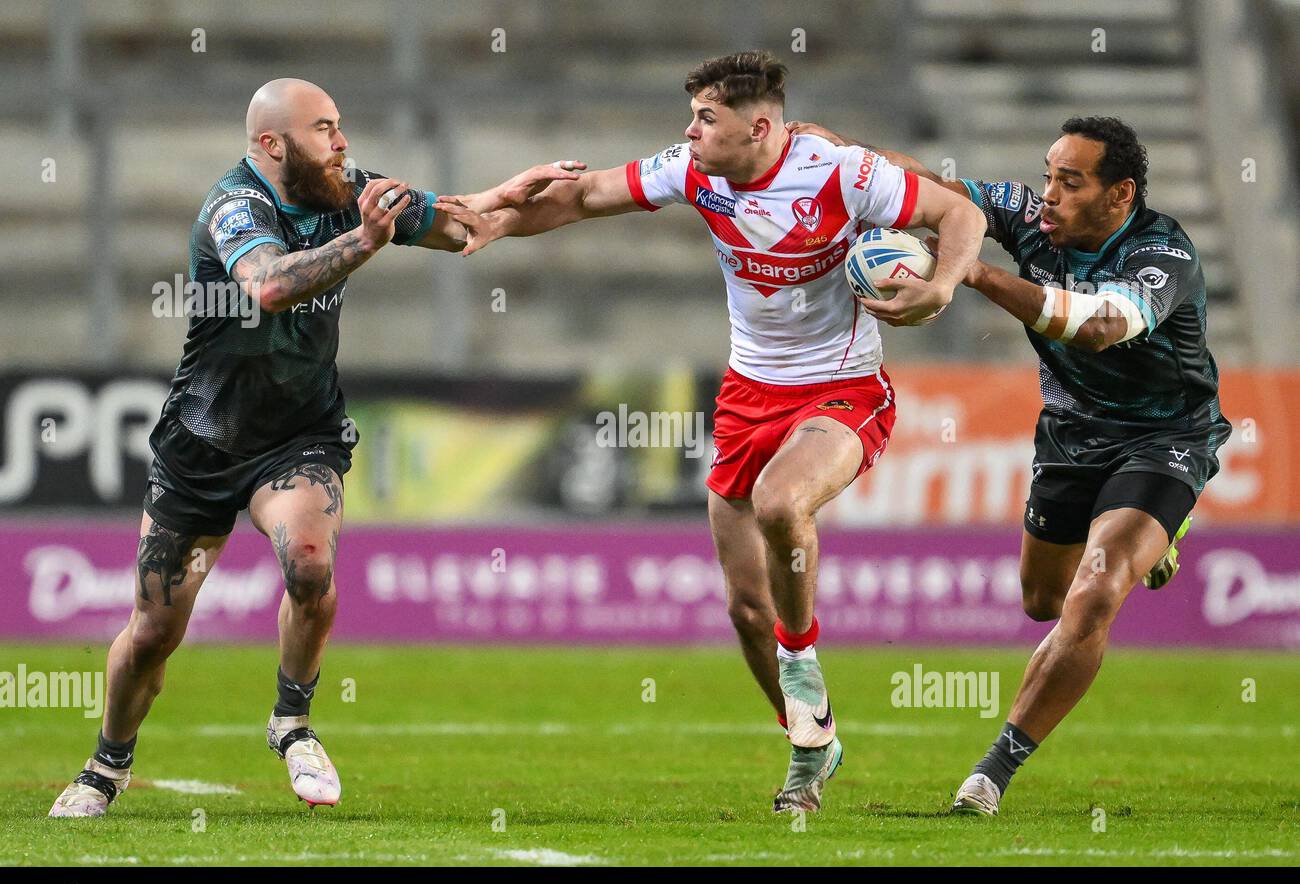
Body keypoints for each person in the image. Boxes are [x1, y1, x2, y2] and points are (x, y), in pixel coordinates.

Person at [439, 52, 984, 812]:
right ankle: (811, 739)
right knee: (746, 609)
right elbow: (587, 196)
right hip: (747, 396)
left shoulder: (844, 172)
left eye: (705, 119)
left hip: (843, 388)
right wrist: (495, 217)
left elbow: (961, 214)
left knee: (780, 503)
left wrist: (944, 284)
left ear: (759, 126)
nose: (688, 132)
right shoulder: (697, 171)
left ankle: (802, 663)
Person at [49, 78, 580, 817]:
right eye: (324, 128)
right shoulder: (234, 207)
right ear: (272, 144)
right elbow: (268, 287)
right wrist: (365, 239)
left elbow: (457, 225)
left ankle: (291, 721)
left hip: (300, 435)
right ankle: (106, 766)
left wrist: (504, 196)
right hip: (203, 442)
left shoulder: (347, 191)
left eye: (340, 126)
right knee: (153, 632)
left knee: (309, 557)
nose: (342, 141)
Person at [788, 116, 1231, 815]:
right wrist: (841, 151)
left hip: (1164, 436)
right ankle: (1146, 545)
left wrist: (972, 270)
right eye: (1049, 174)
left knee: (1096, 592)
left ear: (1120, 195)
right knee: (1043, 602)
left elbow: (1098, 327)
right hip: (1070, 434)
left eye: (1069, 182)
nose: (1047, 194)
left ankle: (989, 775)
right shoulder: (1030, 215)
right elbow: (927, 186)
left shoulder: (1160, 253)